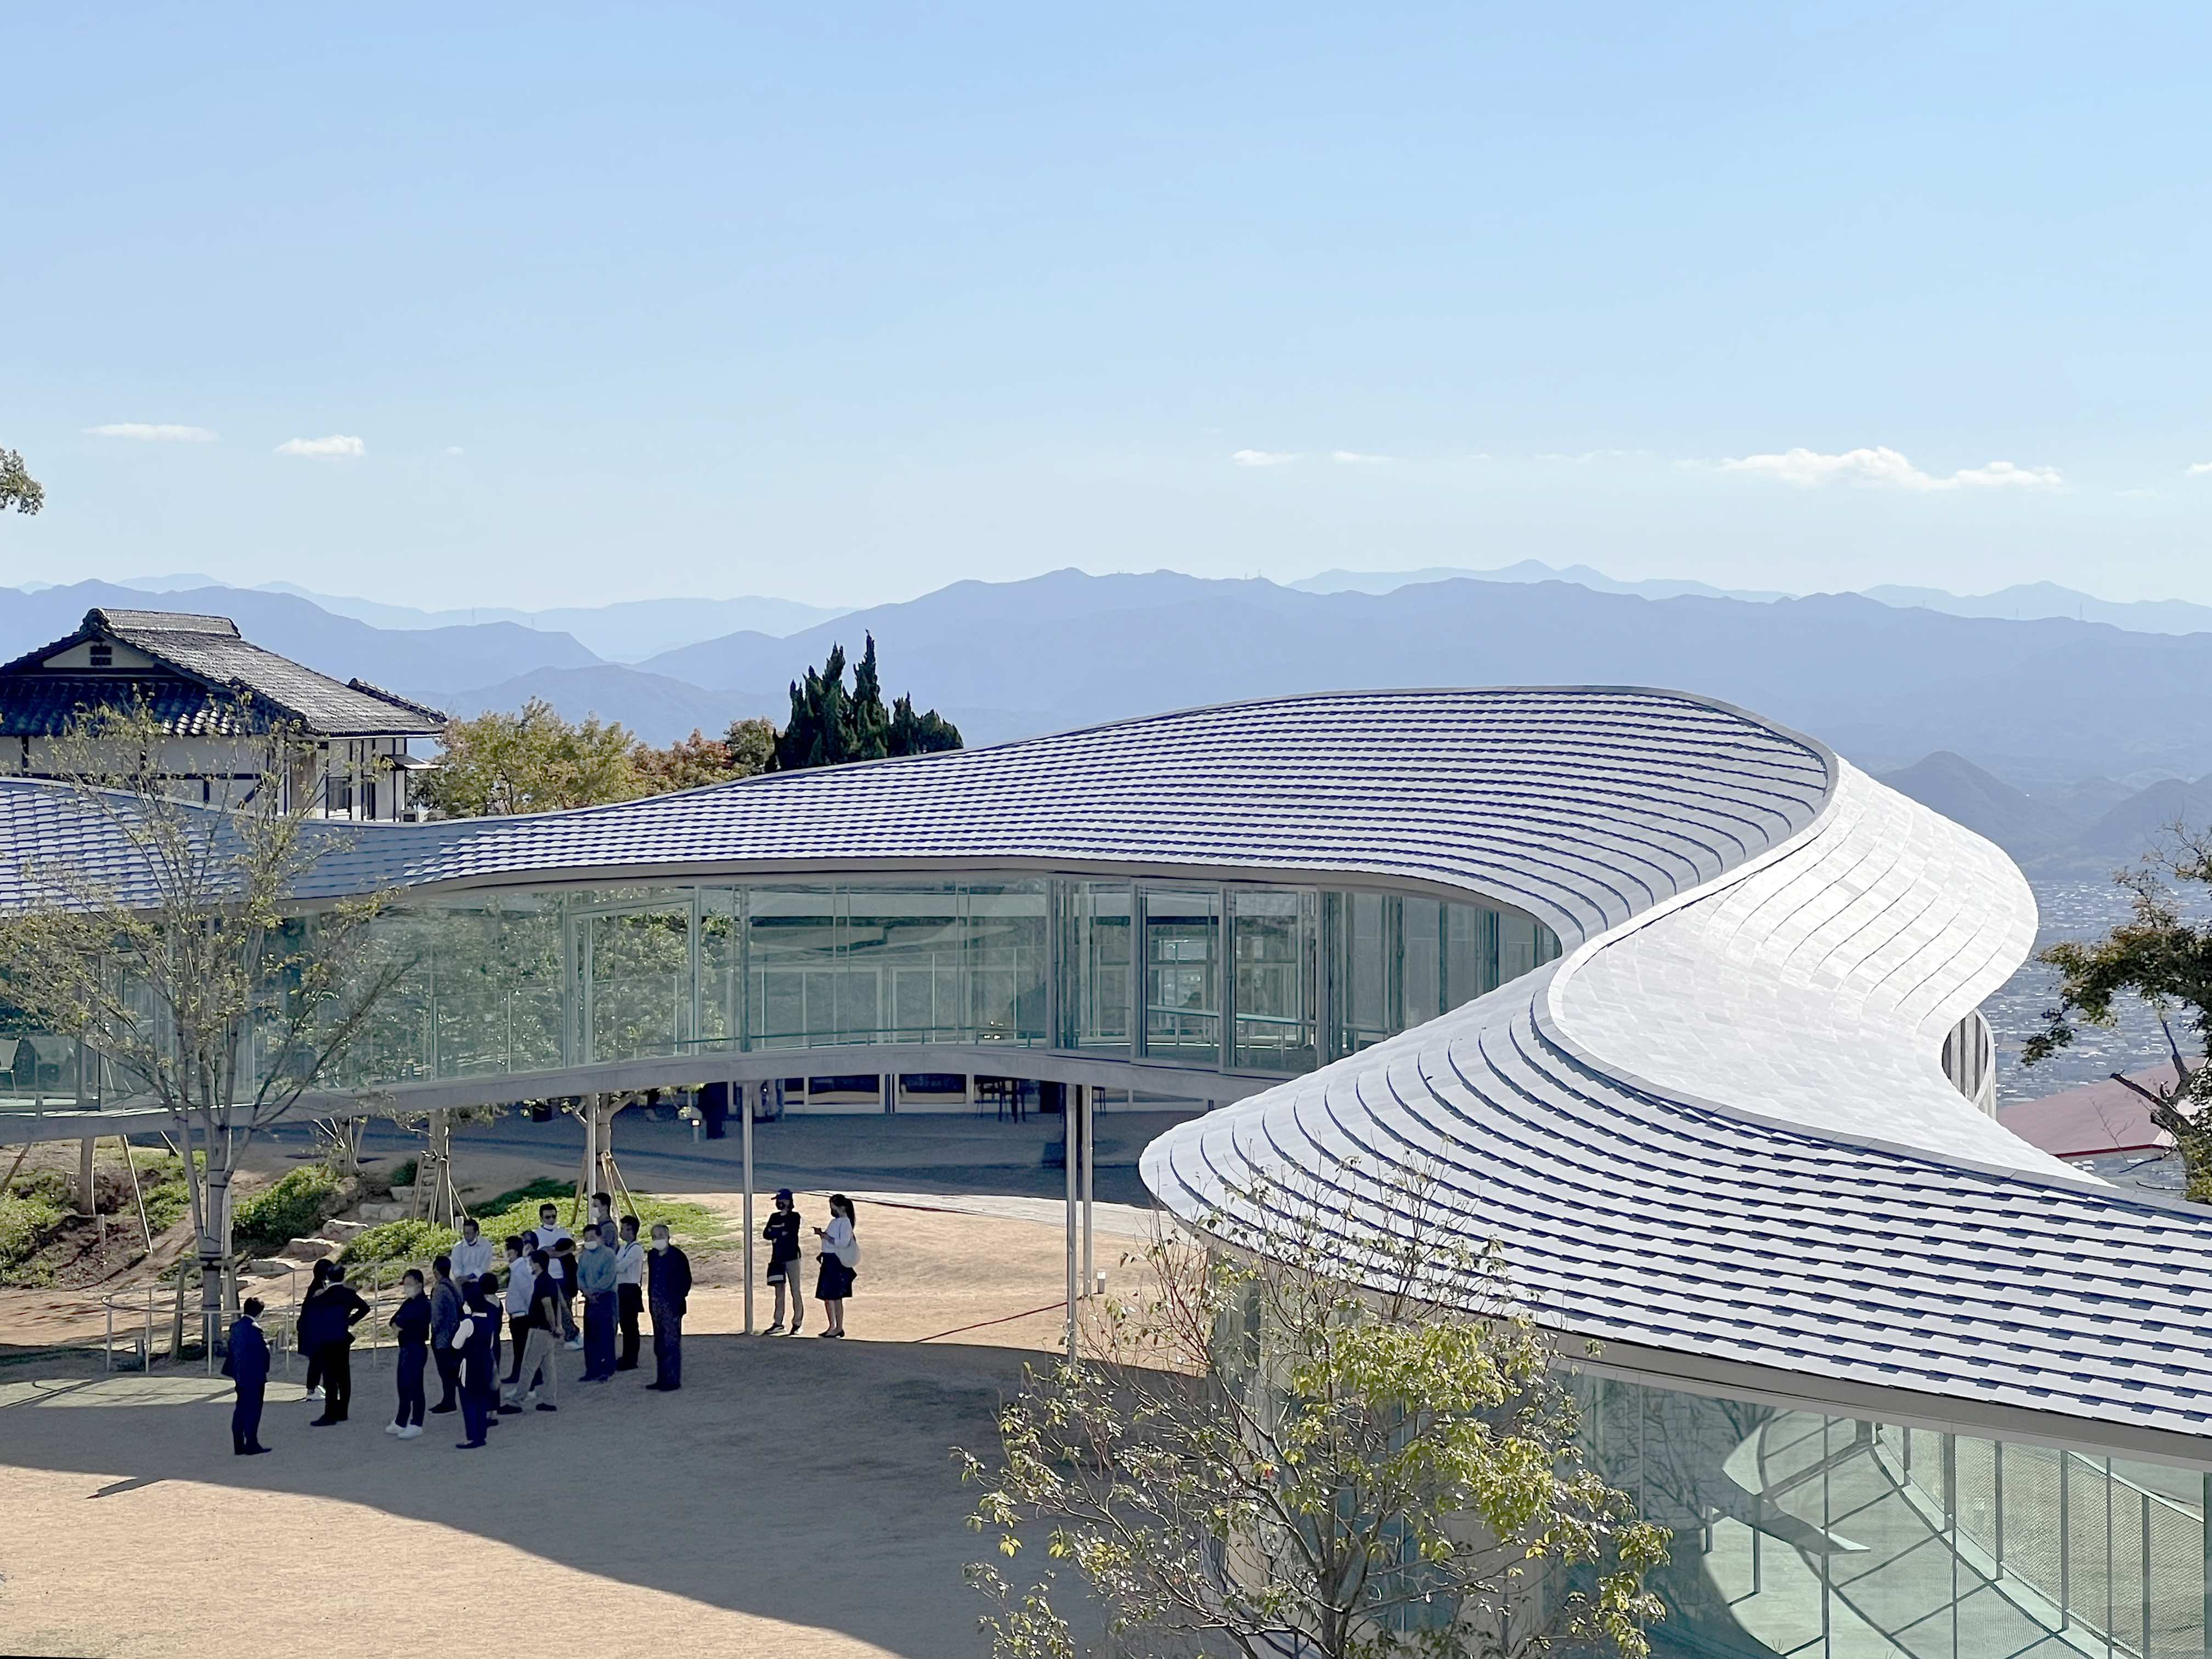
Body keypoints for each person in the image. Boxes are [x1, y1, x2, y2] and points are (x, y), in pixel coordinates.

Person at [306, 1265, 370, 1425]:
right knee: (344, 1375)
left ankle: (330, 1413)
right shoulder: (349, 1294)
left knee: (330, 1377)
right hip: (342, 1338)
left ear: (328, 1278)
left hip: (326, 1340)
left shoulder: (323, 1297)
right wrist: (350, 1321)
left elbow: (312, 1316)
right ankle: (343, 1411)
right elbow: (365, 1308)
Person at [501, 1249, 563, 1414]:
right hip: (547, 1332)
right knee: (548, 1368)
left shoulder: (541, 1282)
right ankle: (550, 1400)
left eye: (531, 1262)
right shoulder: (550, 1281)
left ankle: (517, 1401)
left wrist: (552, 1326)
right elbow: (556, 1305)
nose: (529, 1265)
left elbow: (548, 1306)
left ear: (538, 1264)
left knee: (528, 1366)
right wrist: (557, 1326)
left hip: (539, 1330)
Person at [454, 1273, 502, 1450]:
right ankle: (481, 1434)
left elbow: (456, 1344)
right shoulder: (487, 1320)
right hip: (485, 1361)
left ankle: (473, 1436)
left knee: (469, 1401)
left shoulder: (469, 1322)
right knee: (482, 1399)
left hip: (469, 1363)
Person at [645, 1222, 691, 1392]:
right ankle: (662, 1378)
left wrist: (676, 1300)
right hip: (656, 1306)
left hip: (672, 1307)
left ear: (668, 1237)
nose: (657, 1240)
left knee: (671, 1343)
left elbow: (686, 1281)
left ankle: (672, 1380)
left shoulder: (678, 1256)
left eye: (660, 1236)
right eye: (654, 1237)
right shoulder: (653, 1256)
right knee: (659, 1344)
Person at [223, 1297, 272, 1455]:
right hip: (254, 1374)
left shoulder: (235, 1327)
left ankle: (238, 1444)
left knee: (241, 1408)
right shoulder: (255, 1330)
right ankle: (252, 1443)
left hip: (239, 1373)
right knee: (254, 1409)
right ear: (259, 1313)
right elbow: (264, 1353)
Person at [387, 1268, 431, 1439]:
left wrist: (401, 1325)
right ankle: (401, 1420)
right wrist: (398, 1325)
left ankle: (417, 1423)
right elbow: (394, 1320)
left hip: (416, 1348)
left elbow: (409, 1323)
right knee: (403, 1386)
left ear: (419, 1285)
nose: (406, 1288)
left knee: (415, 1386)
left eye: (409, 1284)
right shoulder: (408, 1303)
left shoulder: (424, 1304)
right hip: (405, 1348)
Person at [577, 1220, 618, 1382]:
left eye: (592, 1238)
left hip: (606, 1297)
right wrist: (586, 1291)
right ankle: (592, 1369)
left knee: (606, 1334)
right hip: (589, 1298)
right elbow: (580, 1276)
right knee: (590, 1335)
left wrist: (594, 1291)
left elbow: (609, 1277)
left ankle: (608, 1369)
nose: (590, 1241)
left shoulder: (609, 1254)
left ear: (600, 1238)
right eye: (587, 1239)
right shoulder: (584, 1256)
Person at [533, 1203, 579, 1346]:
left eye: (554, 1216)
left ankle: (569, 1335)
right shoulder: (538, 1235)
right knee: (552, 1309)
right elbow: (545, 1253)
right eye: (548, 1217)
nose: (551, 1220)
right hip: (549, 1276)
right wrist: (562, 1251)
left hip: (564, 1276)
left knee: (566, 1307)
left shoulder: (562, 1232)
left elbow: (572, 1247)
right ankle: (562, 1335)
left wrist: (555, 1251)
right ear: (541, 1218)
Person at [814, 1194, 859, 1339]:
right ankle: (832, 1326)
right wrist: (823, 1236)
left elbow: (843, 1243)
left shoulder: (845, 1223)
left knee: (835, 1296)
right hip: (829, 1259)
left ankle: (838, 1327)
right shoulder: (836, 1222)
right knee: (828, 1297)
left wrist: (827, 1237)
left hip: (836, 1261)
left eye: (833, 1206)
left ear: (840, 1207)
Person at [763, 1189, 804, 1335]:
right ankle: (778, 1323)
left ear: (788, 1201)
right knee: (779, 1292)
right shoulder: (774, 1217)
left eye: (781, 1200)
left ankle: (797, 1323)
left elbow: (790, 1233)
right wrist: (780, 1232)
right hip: (777, 1258)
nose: (779, 1203)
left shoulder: (795, 1217)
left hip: (792, 1257)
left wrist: (777, 1232)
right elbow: (766, 1234)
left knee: (795, 1290)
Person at [428, 1254, 464, 1414]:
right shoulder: (453, 1286)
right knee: (453, 1367)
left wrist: (434, 1332)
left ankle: (449, 1401)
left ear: (436, 1271)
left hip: (443, 1336)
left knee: (445, 1370)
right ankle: (451, 1399)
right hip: (455, 1333)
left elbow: (436, 1316)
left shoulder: (440, 1290)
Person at [298, 1259, 335, 1402]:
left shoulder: (318, 1285)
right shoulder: (318, 1289)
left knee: (321, 1361)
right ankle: (312, 1389)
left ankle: (319, 1387)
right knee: (318, 1361)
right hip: (314, 1332)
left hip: (313, 1330)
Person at [612, 1215, 645, 1370]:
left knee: (631, 1326)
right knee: (625, 1325)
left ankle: (631, 1359)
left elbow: (619, 1267)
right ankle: (626, 1356)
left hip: (630, 1289)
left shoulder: (636, 1249)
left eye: (624, 1229)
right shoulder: (624, 1248)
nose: (621, 1233)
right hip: (621, 1288)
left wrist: (612, 1266)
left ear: (631, 1230)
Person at [501, 1235, 535, 1385]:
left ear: (514, 1252)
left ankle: (529, 1377)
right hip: (517, 1316)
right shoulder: (517, 1269)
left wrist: (531, 1315)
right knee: (519, 1349)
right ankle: (517, 1374)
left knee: (523, 1349)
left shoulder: (521, 1270)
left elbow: (527, 1293)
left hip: (522, 1317)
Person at [553, 1235, 582, 1350]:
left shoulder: (561, 1259)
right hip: (566, 1288)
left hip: (565, 1288)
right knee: (565, 1313)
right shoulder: (568, 1259)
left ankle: (571, 1334)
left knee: (565, 1313)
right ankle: (571, 1334)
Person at [450, 1216, 494, 1287]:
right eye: (465, 1233)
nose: (467, 1236)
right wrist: (460, 1277)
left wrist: (468, 1277)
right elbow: (456, 1266)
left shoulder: (486, 1246)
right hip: (462, 1283)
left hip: (480, 1283)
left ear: (477, 1233)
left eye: (470, 1233)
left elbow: (484, 1267)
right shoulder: (458, 1248)